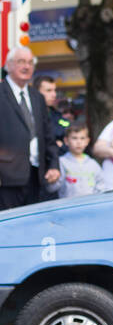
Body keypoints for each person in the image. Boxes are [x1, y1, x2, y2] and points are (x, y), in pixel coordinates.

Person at [0, 47, 58, 209]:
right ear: (9, 65)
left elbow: (48, 136)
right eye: (21, 62)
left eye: (30, 62)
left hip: (36, 176)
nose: (26, 66)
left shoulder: (37, 97)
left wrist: (53, 165)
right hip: (6, 179)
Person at [56, 120, 101, 197]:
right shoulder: (61, 162)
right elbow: (52, 187)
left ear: (87, 141)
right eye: (74, 138)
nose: (78, 142)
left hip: (90, 206)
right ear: (66, 141)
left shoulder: (93, 164)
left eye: (82, 138)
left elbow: (101, 186)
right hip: (68, 206)